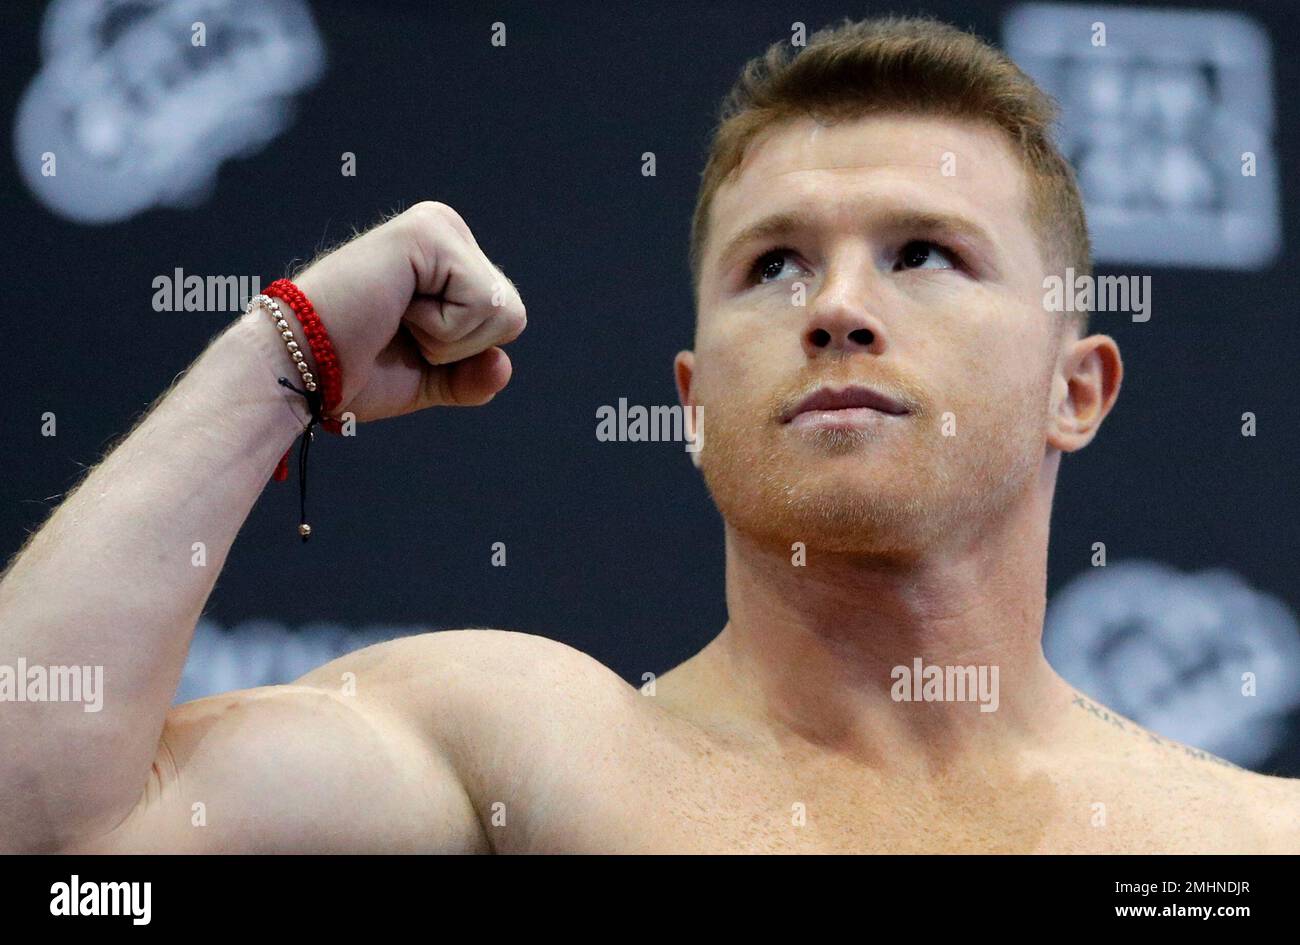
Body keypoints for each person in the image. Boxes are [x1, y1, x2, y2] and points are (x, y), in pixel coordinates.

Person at [2, 15, 1295, 854]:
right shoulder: (525, 756)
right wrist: (283, 354)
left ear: (1080, 386)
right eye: (773, 266)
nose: (838, 306)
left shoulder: (1242, 844)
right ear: (689, 398)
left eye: (922, 253)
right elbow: (54, 839)